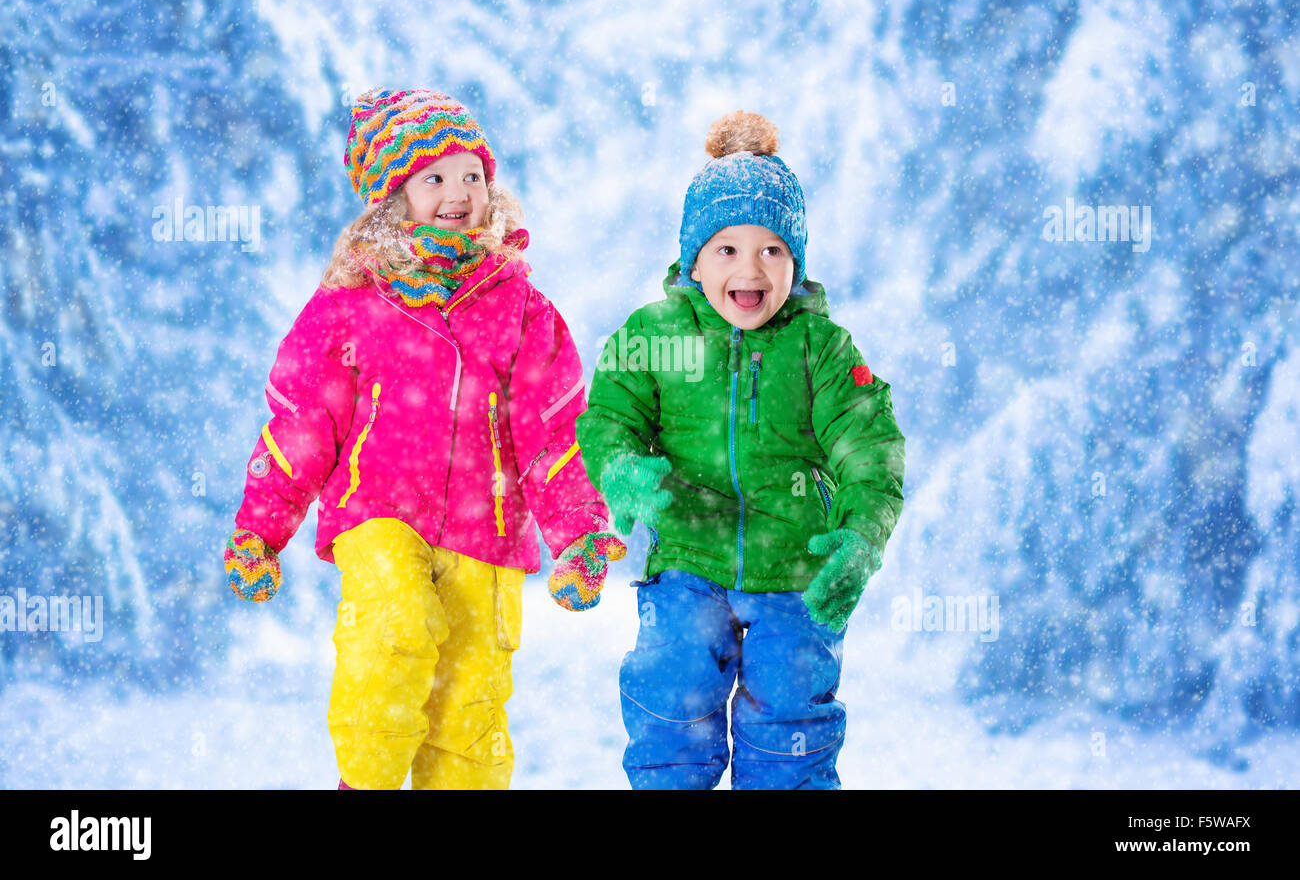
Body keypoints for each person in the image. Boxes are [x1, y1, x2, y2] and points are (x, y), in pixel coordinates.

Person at [223, 88, 625, 790]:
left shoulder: (522, 309)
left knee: (469, 716)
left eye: (472, 174)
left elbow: (553, 432)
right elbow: (303, 420)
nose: (458, 192)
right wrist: (261, 529)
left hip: (488, 531)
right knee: (393, 631)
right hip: (378, 513)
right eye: (434, 177)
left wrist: (580, 532)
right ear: (392, 197)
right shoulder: (353, 301)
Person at [576, 110, 906, 789]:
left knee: (790, 726)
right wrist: (620, 468)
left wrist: (860, 537)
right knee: (672, 699)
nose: (750, 268)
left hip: (795, 571)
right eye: (727, 249)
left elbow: (868, 447)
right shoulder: (655, 335)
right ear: (694, 258)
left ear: (796, 262)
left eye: (773, 251)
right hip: (688, 560)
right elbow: (610, 412)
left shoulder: (823, 348)